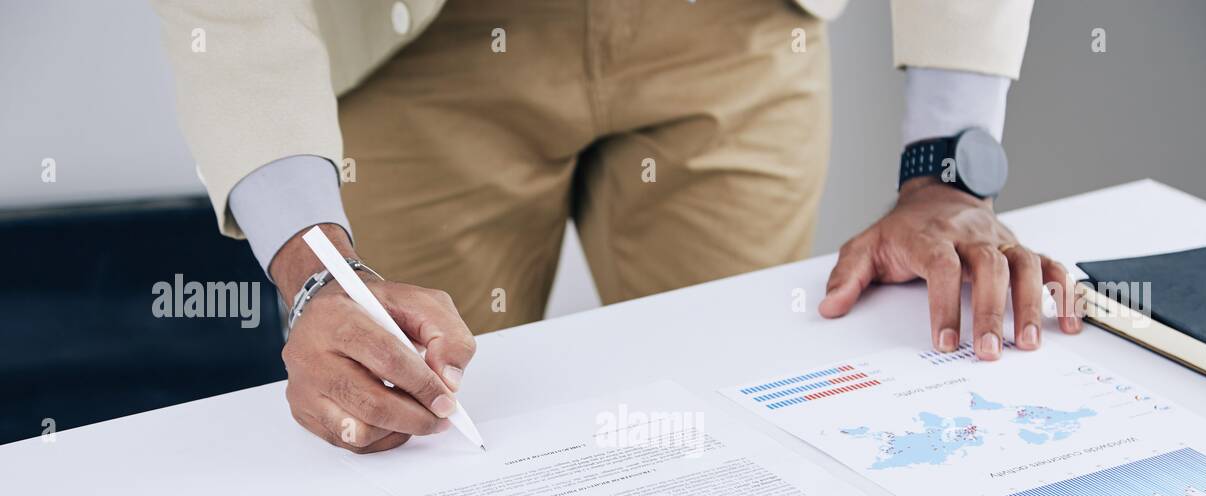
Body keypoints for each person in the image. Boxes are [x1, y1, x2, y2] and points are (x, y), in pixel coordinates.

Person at [152, 0, 1077, 453]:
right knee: (406, 421)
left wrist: (946, 171)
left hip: (735, 33)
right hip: (422, 43)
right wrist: (317, 272)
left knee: (748, 436)